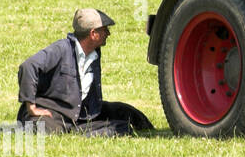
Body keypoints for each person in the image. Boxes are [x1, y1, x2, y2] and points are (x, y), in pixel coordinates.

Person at [17, 8, 152, 136]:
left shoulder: (94, 53)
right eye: (105, 30)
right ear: (93, 34)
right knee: (45, 128)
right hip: (53, 113)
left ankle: (81, 130)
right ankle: (79, 131)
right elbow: (28, 66)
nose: (108, 34)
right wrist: (31, 107)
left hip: (81, 112)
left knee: (123, 117)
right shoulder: (61, 49)